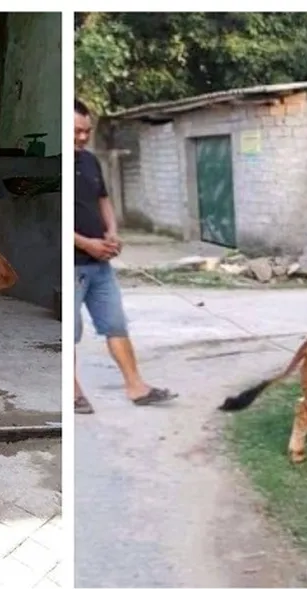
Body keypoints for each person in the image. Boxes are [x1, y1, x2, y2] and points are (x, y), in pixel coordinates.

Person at [74, 99, 177, 414]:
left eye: (86, 131)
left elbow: (103, 200)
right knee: (69, 334)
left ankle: (136, 386)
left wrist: (112, 232)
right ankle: (73, 393)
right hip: (72, 266)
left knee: (116, 324)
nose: (83, 137)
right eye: (76, 131)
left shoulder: (90, 161)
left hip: (100, 266)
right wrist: (85, 244)